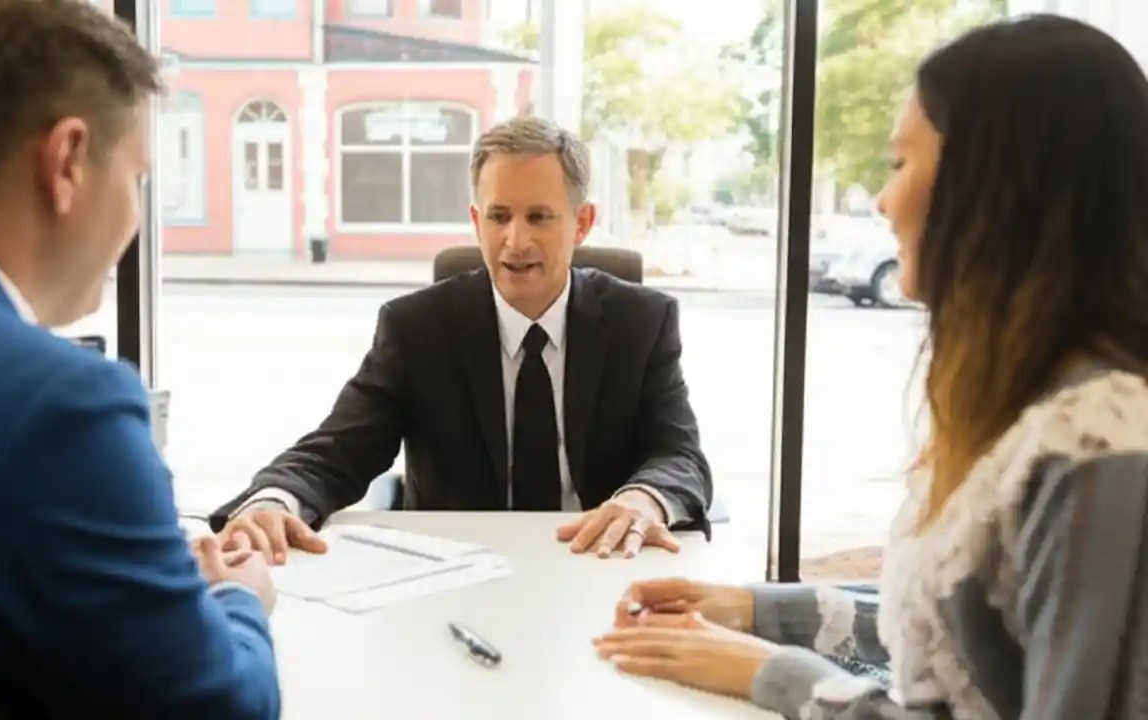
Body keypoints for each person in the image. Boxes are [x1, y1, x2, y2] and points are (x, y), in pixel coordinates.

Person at [591, 14, 1148, 719]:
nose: (883, 201)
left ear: (994, 187)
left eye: (900, 163)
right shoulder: (1038, 410)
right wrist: (754, 609)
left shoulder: (1101, 442)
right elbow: (960, 638)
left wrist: (784, 677)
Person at [0, 1, 279, 717]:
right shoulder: (51, 409)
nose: (135, 215)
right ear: (66, 162)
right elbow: (218, 709)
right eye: (139, 178)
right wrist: (238, 600)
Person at [211, 116, 712, 562]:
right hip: (459, 573)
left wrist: (644, 499)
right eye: (499, 217)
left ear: (581, 223)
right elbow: (338, 448)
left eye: (539, 217)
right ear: (477, 222)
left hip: (596, 562)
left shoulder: (641, 322)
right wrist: (274, 500)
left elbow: (680, 455)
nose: (516, 241)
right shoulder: (418, 328)